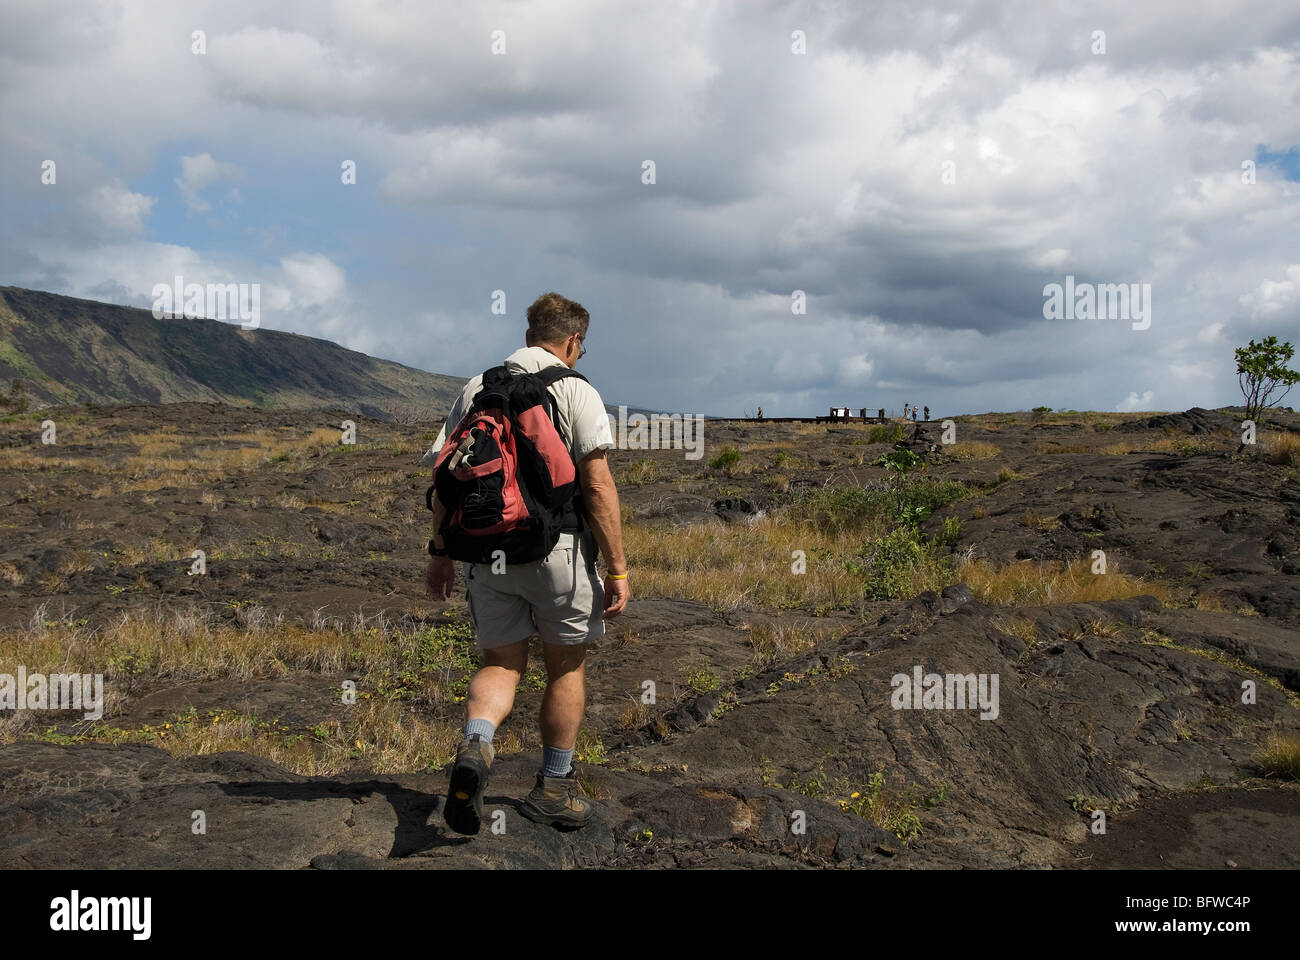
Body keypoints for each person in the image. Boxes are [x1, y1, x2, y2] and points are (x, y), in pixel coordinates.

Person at [423, 291, 630, 834]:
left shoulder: (478, 387)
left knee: (500, 662)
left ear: (527, 332)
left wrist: (440, 554)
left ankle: (477, 745)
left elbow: (447, 477)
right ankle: (553, 789)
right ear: (573, 341)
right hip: (558, 552)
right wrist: (618, 569)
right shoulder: (577, 389)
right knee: (565, 666)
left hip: (486, 553)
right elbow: (598, 485)